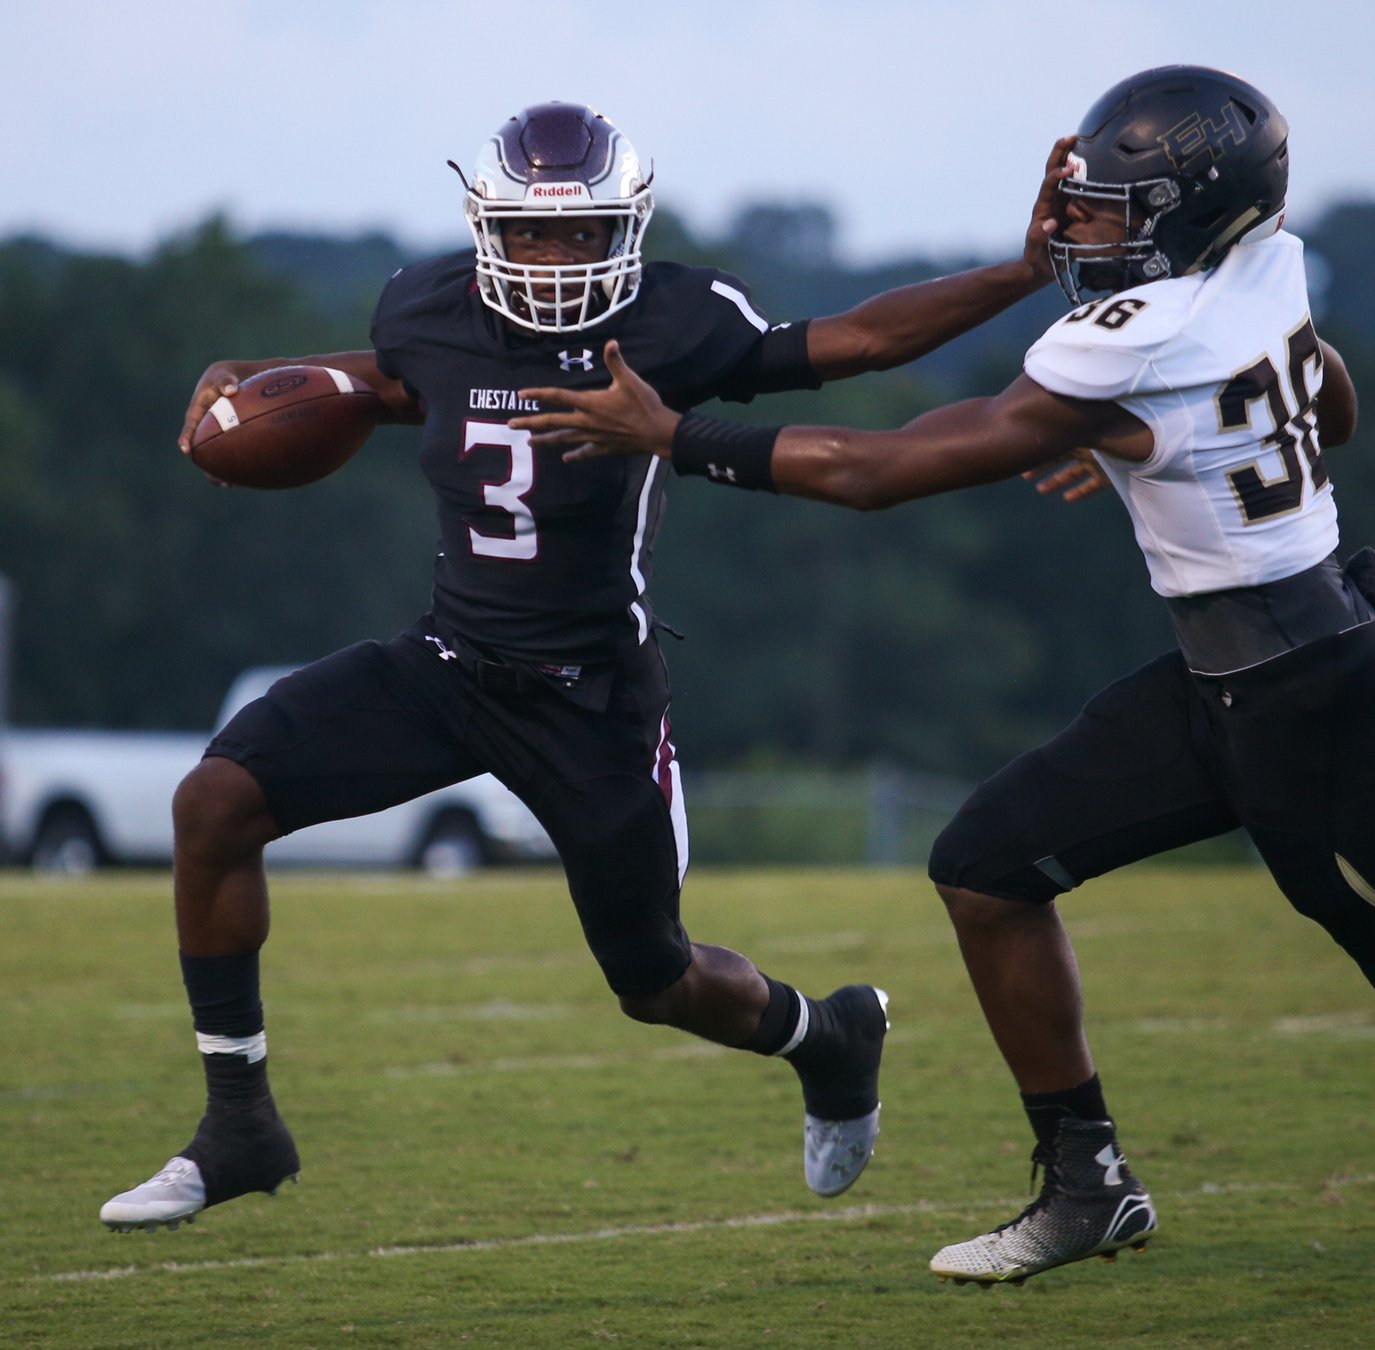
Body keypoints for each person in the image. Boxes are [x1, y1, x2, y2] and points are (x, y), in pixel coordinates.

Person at [507, 68, 1375, 1325]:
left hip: (1314, 698)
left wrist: (678, 434)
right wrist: (1165, 437)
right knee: (985, 863)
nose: (1084, 232)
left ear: (1190, 212)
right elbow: (1324, 407)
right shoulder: (1267, 262)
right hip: (1236, 675)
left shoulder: (1141, 333)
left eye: (1108, 210)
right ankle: (1087, 1178)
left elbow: (886, 468)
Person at [100, 101, 1079, 1233]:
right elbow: (377, 383)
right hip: (448, 662)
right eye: (530, 233)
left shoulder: (674, 318)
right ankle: (237, 1124)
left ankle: (829, 1034)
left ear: (630, 224)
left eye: (582, 232)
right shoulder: (424, 304)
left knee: (653, 982)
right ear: (485, 227)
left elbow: (857, 340)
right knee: (215, 800)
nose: (555, 257)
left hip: (592, 699)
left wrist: (1019, 272)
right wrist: (241, 388)